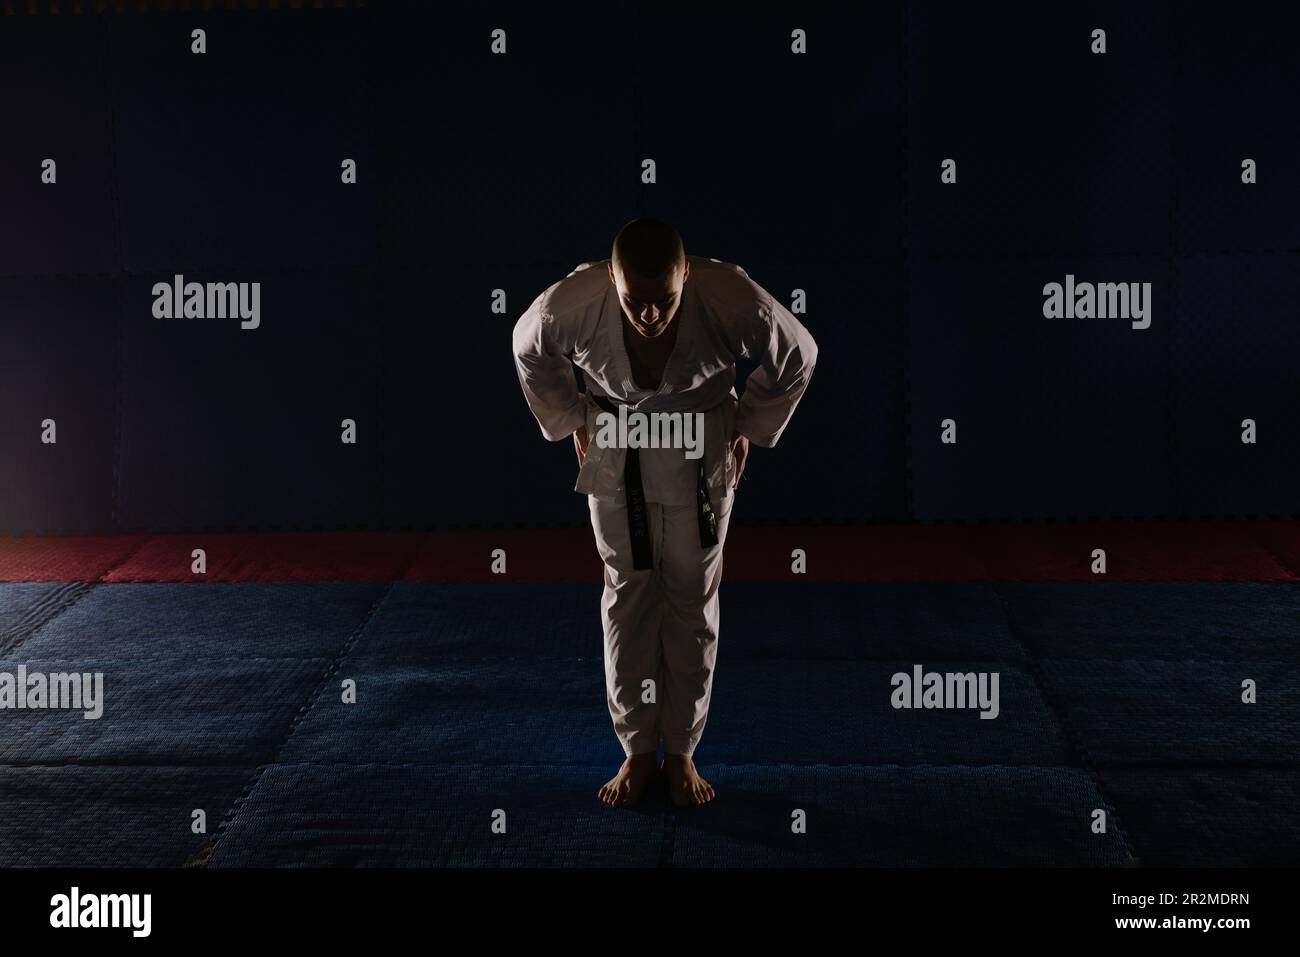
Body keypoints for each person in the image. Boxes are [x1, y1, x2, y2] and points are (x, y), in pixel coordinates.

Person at [511, 218, 817, 807]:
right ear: (610, 276)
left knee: (691, 591)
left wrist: (749, 424)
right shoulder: (569, 305)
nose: (649, 315)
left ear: (687, 275)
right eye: (634, 300)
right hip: (613, 441)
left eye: (664, 300)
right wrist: (572, 416)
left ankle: (680, 750)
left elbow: (799, 354)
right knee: (628, 589)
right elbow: (526, 348)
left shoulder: (728, 295)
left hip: (700, 444)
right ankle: (635, 750)